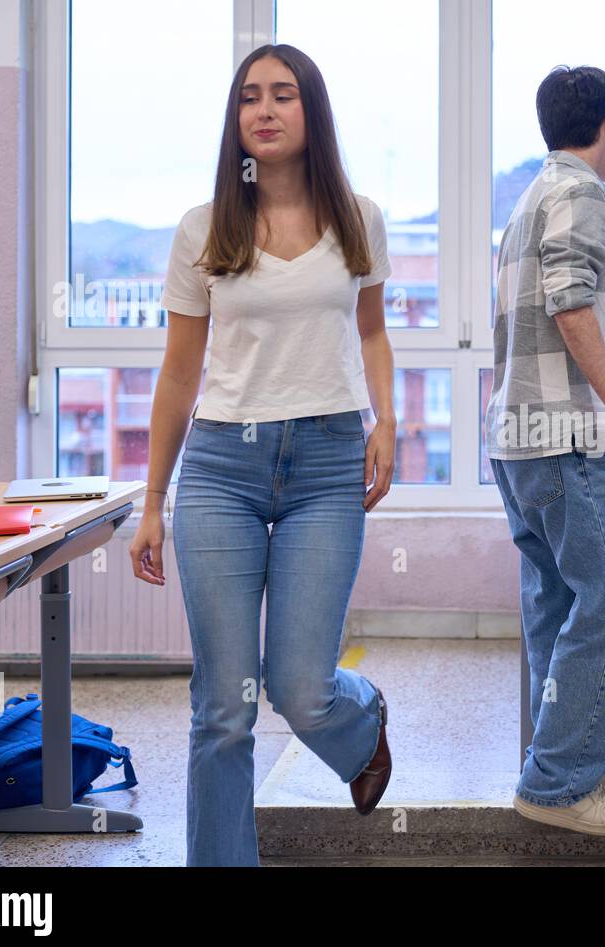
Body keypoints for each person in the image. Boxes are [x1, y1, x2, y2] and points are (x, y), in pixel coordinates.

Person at [128, 44, 397, 866]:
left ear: (310, 111)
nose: (264, 109)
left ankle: (362, 721)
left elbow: (373, 329)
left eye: (283, 94)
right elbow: (179, 372)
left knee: (302, 687)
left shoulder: (358, 216)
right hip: (220, 471)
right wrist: (151, 501)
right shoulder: (204, 228)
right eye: (249, 96)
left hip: (325, 465)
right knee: (223, 706)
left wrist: (385, 421)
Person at [484, 65, 605, 836]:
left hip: (516, 437)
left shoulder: (531, 193)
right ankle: (558, 784)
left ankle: (571, 753)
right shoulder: (582, 190)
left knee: (557, 606)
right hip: (560, 434)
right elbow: (570, 298)